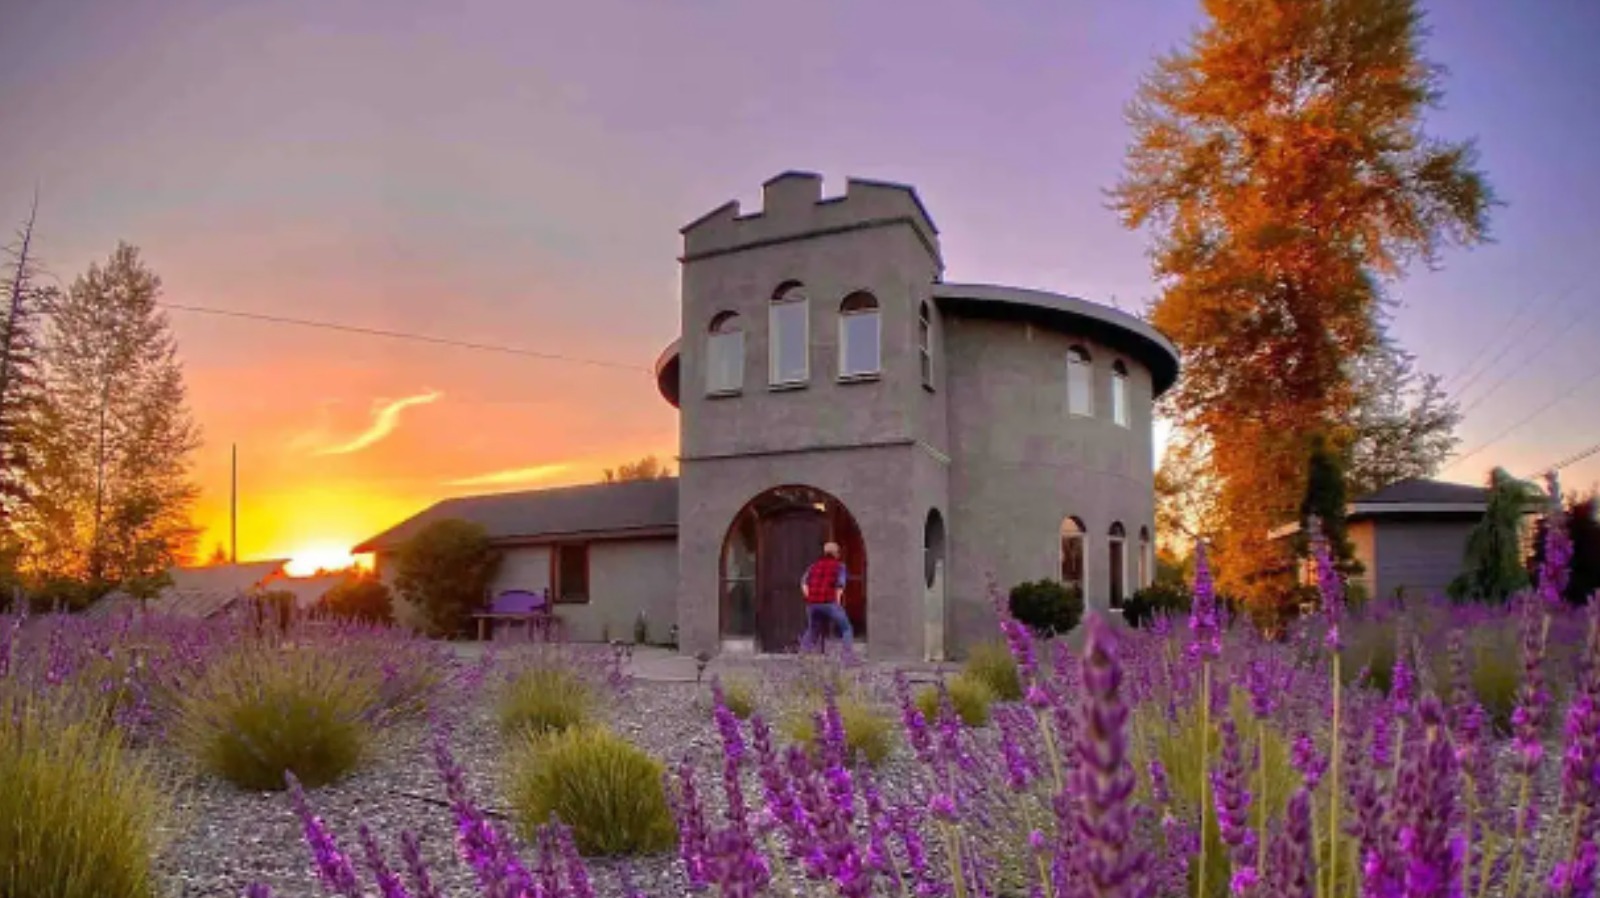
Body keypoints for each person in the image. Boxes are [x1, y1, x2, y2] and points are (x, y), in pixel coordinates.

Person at [800, 541, 853, 653]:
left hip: (812, 604)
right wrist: (837, 602)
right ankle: (847, 656)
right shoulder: (840, 566)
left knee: (812, 630)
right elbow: (840, 585)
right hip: (829, 602)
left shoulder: (813, 566)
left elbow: (804, 583)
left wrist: (809, 598)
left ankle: (804, 653)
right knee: (846, 628)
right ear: (836, 553)